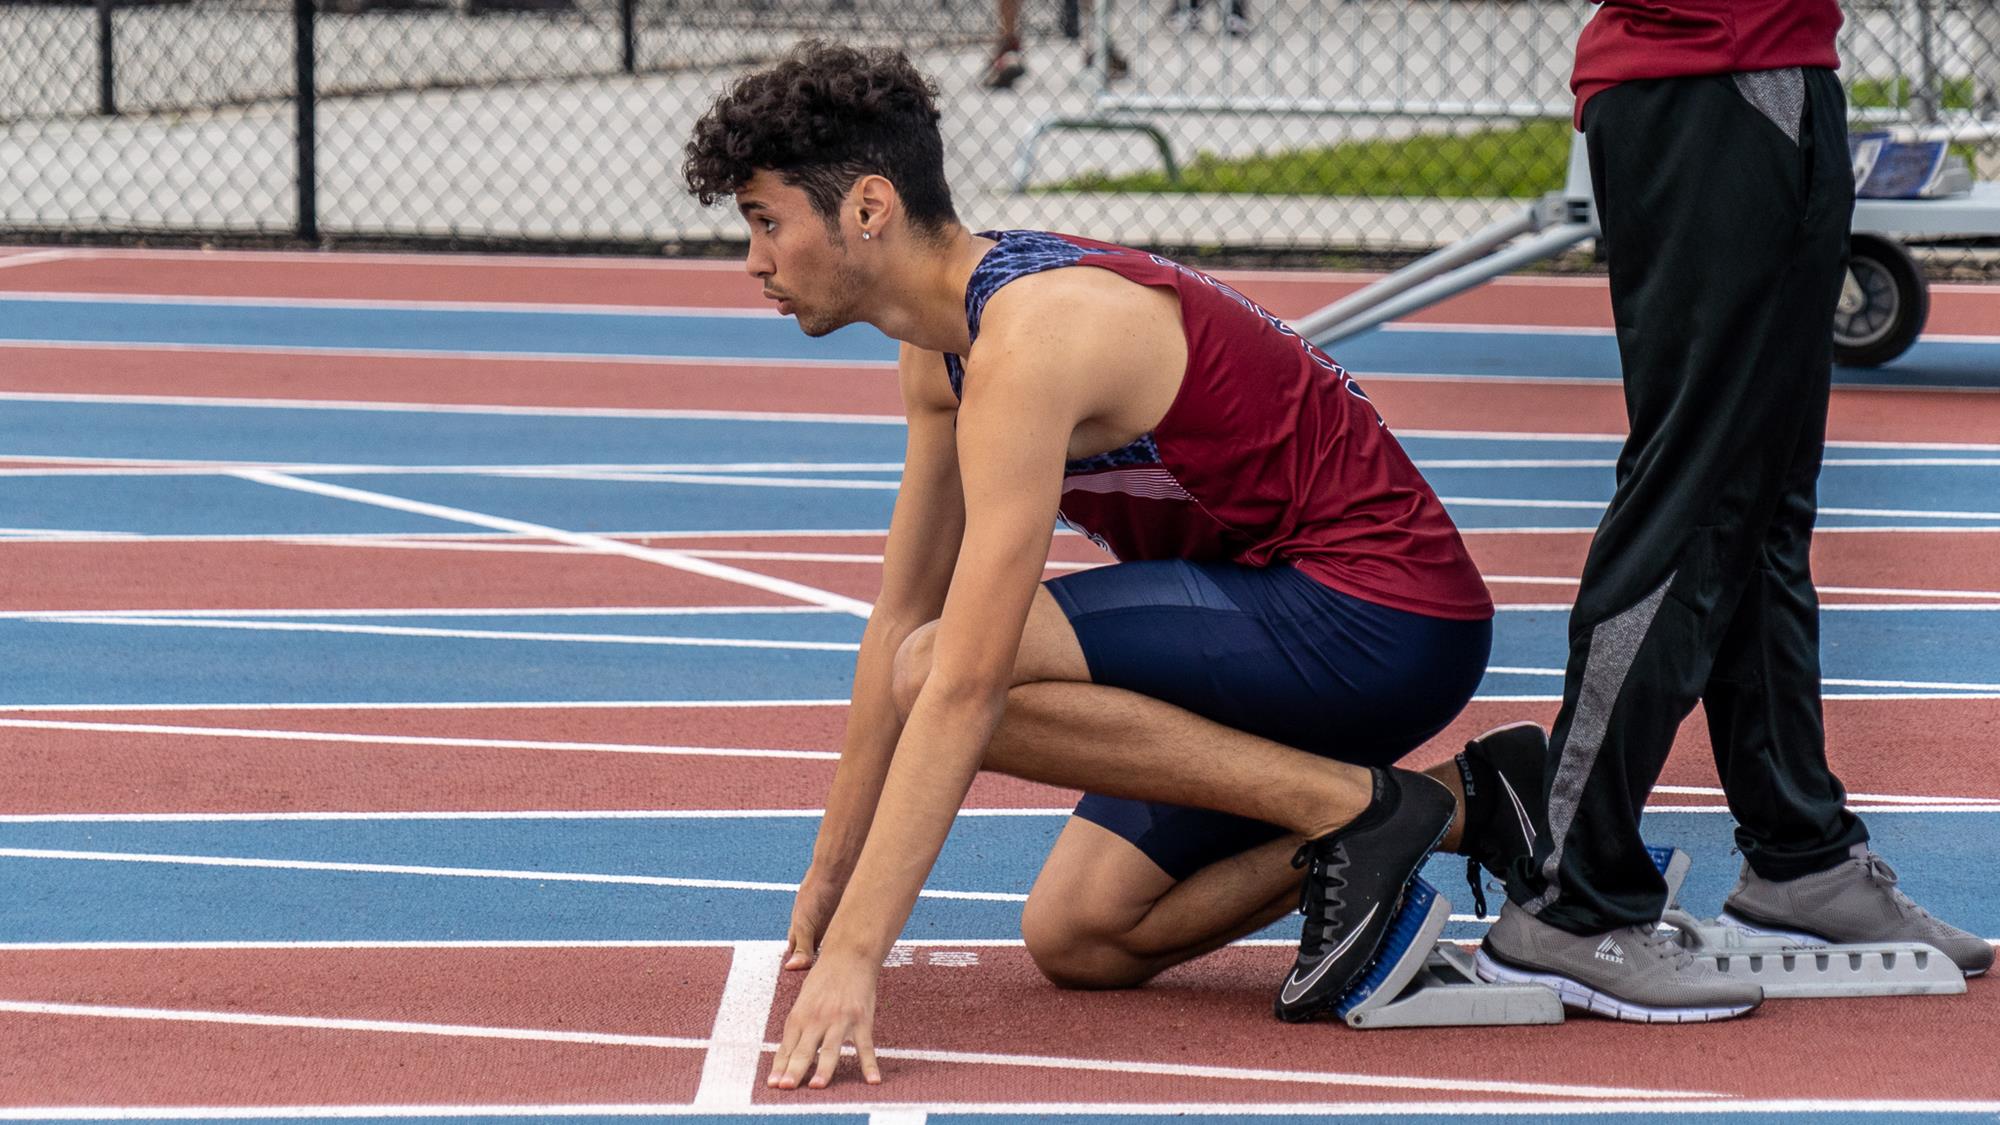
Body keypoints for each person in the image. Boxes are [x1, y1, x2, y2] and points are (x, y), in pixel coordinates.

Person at [683, 41, 1536, 1090]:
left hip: (1383, 621)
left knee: (941, 668)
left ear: (866, 207)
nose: (755, 261)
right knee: (1080, 938)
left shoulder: (1032, 336)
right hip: (1271, 634)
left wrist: (859, 957)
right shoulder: (937, 350)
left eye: (766, 222)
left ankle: (1350, 810)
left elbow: (962, 676)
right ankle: (1462, 801)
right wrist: (828, 876)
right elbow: (897, 604)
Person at [1476, 0, 1994, 1023]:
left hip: (1775, 75)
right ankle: (1567, 902)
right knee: (1695, 501)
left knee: (1761, 509)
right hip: (1703, 82)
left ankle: (1797, 857)